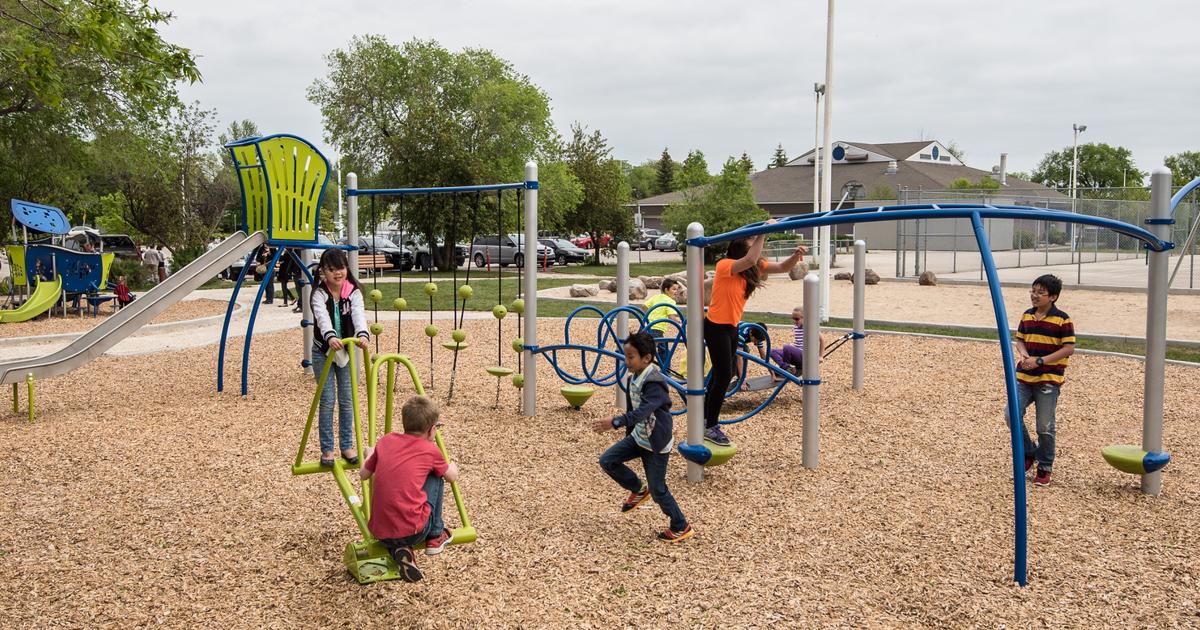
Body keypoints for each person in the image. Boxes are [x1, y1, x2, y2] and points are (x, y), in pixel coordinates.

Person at [701, 221, 806, 445]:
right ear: (742, 248)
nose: (756, 250)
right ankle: (710, 425)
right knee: (722, 375)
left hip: (731, 326)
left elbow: (782, 268)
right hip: (715, 326)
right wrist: (762, 233)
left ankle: (704, 415)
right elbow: (749, 259)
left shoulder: (752, 268)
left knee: (726, 373)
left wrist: (795, 256)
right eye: (752, 245)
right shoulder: (725, 265)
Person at [593, 331, 693, 543]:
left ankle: (680, 525)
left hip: (655, 443)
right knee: (608, 460)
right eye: (625, 356)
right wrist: (627, 431)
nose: (626, 360)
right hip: (640, 437)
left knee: (658, 490)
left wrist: (616, 422)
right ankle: (638, 489)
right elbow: (633, 407)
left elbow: (643, 411)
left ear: (646, 358)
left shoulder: (654, 381)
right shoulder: (634, 377)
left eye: (631, 357)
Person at [360, 395, 459, 583]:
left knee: (397, 532)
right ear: (432, 430)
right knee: (437, 476)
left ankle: (401, 550)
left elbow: (363, 474)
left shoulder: (386, 441)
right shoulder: (430, 450)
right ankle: (436, 535)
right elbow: (451, 477)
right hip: (415, 532)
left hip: (380, 532)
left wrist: (371, 454)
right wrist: (453, 466)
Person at [1012, 274, 1075, 487]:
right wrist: (1024, 356)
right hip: (1024, 377)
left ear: (1053, 297)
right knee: (1011, 413)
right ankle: (1029, 452)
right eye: (1033, 291)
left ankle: (1045, 465)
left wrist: (1041, 361)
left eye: (1040, 293)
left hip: (1048, 379)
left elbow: (1069, 348)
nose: (1034, 296)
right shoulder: (1027, 316)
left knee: (1045, 426)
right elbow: (1020, 339)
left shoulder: (1062, 320)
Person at [311, 248, 370, 467]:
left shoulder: (353, 292)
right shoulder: (319, 294)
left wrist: (362, 334)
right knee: (327, 400)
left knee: (347, 399)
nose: (338, 273)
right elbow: (322, 317)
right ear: (323, 271)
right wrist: (330, 336)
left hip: (345, 351)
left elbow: (358, 314)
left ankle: (346, 445)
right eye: (332, 269)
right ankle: (327, 449)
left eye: (341, 268)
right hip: (324, 351)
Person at [769, 306, 826, 379]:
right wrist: (793, 345)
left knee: (787, 348)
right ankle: (786, 368)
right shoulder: (796, 327)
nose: (794, 321)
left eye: (797, 319)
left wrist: (820, 356)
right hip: (797, 355)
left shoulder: (810, 327)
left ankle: (786, 370)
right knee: (772, 351)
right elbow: (799, 342)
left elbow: (822, 340)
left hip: (805, 357)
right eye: (793, 319)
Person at [643, 278, 682, 367]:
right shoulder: (670, 301)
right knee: (654, 350)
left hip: (645, 326)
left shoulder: (656, 297)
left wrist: (649, 316)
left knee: (659, 348)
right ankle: (665, 370)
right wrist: (679, 322)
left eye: (677, 289)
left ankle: (664, 368)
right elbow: (671, 316)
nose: (676, 291)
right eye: (674, 289)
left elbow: (644, 306)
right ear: (666, 290)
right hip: (657, 329)